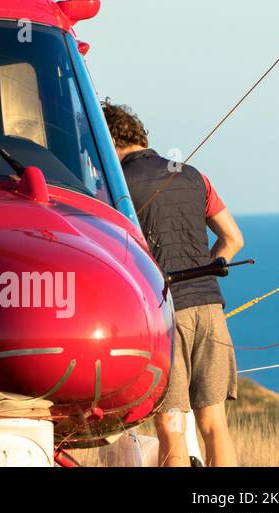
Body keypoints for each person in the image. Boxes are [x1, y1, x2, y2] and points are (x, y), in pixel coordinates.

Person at [100, 100, 245, 467]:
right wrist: (207, 266)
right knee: (214, 423)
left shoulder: (115, 186)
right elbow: (233, 239)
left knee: (171, 423)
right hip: (211, 308)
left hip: (165, 313)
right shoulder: (195, 175)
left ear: (108, 141)